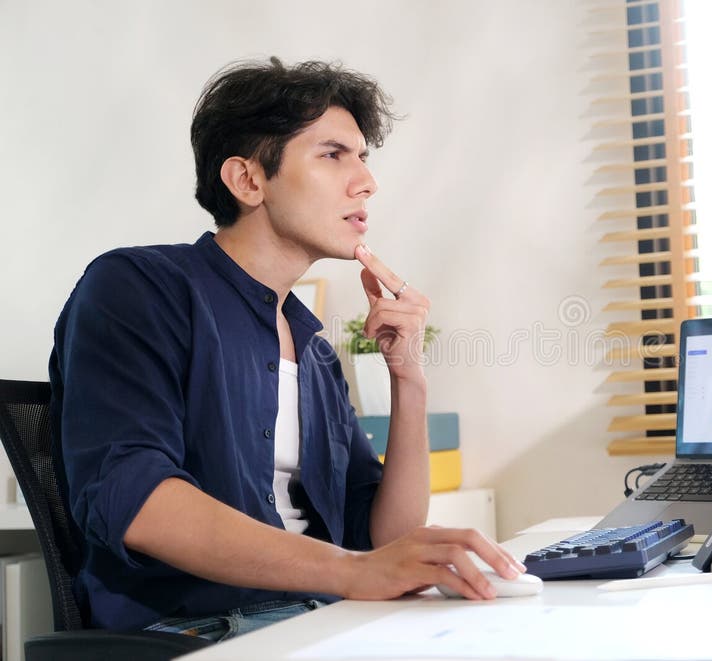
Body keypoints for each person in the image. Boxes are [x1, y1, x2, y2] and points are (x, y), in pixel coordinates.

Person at [48, 57, 523, 641]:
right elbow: (136, 499)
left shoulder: (312, 347)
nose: (366, 181)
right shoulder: (139, 287)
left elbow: (384, 538)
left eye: (363, 158)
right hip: (198, 630)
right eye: (332, 154)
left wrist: (409, 379)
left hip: (315, 618)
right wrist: (350, 572)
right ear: (248, 181)